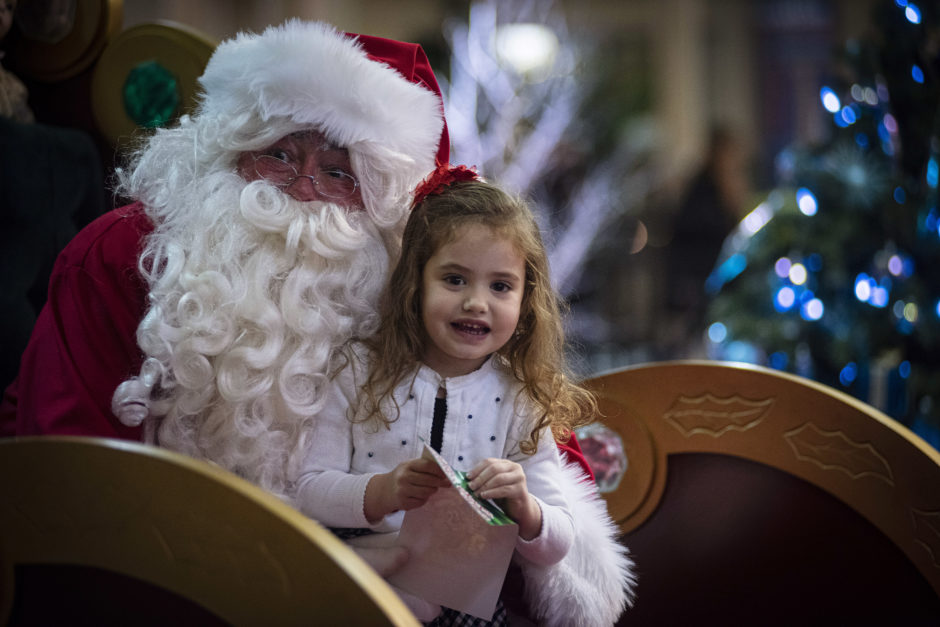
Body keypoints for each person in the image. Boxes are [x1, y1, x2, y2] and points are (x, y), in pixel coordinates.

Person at [0, 19, 593, 498]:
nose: (303, 186)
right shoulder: (124, 254)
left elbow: (526, 422)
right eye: (279, 155)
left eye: (338, 173)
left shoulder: (410, 282)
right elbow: (67, 465)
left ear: (379, 202)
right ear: (228, 150)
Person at [293, 165, 634, 626]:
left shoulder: (519, 400)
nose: (477, 302)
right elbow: (309, 489)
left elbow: (559, 542)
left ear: (525, 297)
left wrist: (526, 509)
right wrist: (383, 490)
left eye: (500, 286)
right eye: (455, 280)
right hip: (363, 573)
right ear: (416, 282)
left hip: (466, 595)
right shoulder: (358, 371)